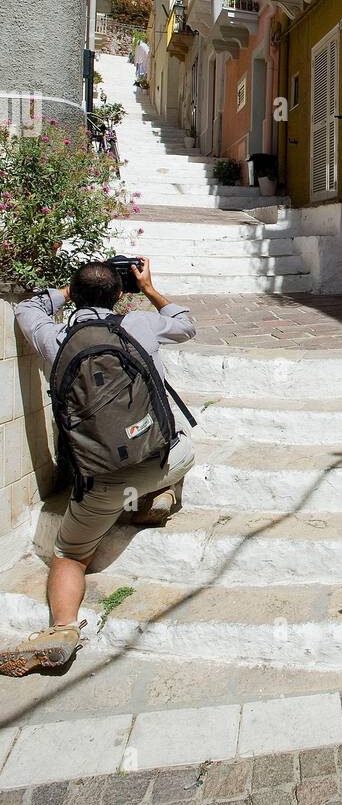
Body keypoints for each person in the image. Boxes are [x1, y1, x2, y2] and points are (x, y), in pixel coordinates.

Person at [0, 259, 196, 677]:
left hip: (98, 481)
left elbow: (24, 309)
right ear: (119, 295)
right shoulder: (141, 326)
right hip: (160, 460)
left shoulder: (55, 337)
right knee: (184, 442)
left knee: (69, 554)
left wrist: (67, 292)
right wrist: (149, 289)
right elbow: (184, 323)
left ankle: (62, 630)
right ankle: (155, 499)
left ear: (75, 293)